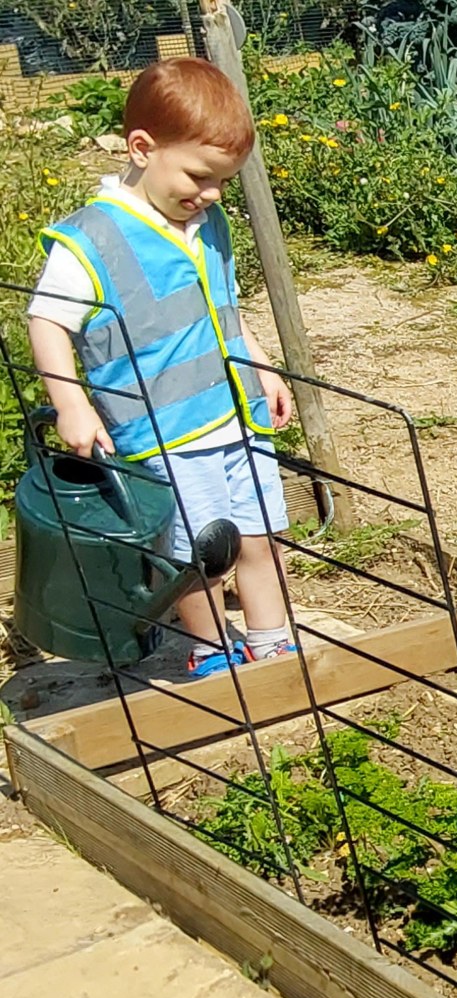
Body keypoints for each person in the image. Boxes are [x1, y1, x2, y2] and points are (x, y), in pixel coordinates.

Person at [26, 56, 297, 681]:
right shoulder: (91, 239)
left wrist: (263, 368)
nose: (212, 194)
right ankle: (208, 648)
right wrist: (72, 403)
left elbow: (224, 310)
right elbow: (47, 324)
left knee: (259, 537)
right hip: (165, 433)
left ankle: (273, 640)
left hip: (237, 416)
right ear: (142, 148)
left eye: (223, 181)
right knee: (195, 555)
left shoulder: (205, 223)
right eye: (200, 177)